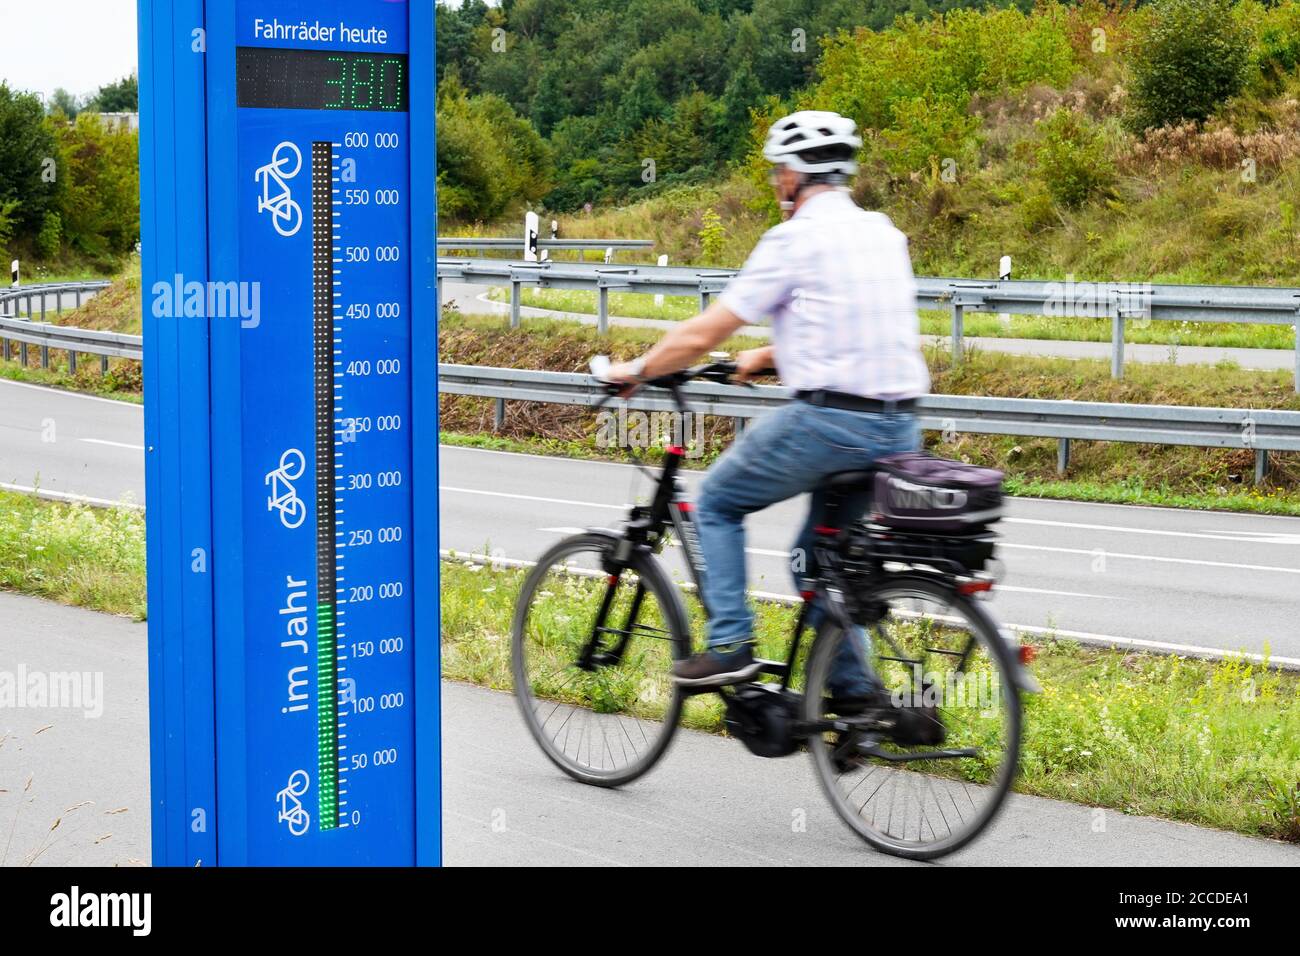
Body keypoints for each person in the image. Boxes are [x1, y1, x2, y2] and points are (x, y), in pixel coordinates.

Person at [604, 110, 929, 694]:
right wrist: (767, 357)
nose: (776, 180)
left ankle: (730, 645)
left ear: (795, 175)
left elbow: (704, 335)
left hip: (833, 425)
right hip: (901, 429)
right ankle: (857, 699)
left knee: (720, 502)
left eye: (779, 169)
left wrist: (639, 370)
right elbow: (857, 328)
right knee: (820, 558)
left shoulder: (793, 240)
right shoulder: (883, 232)